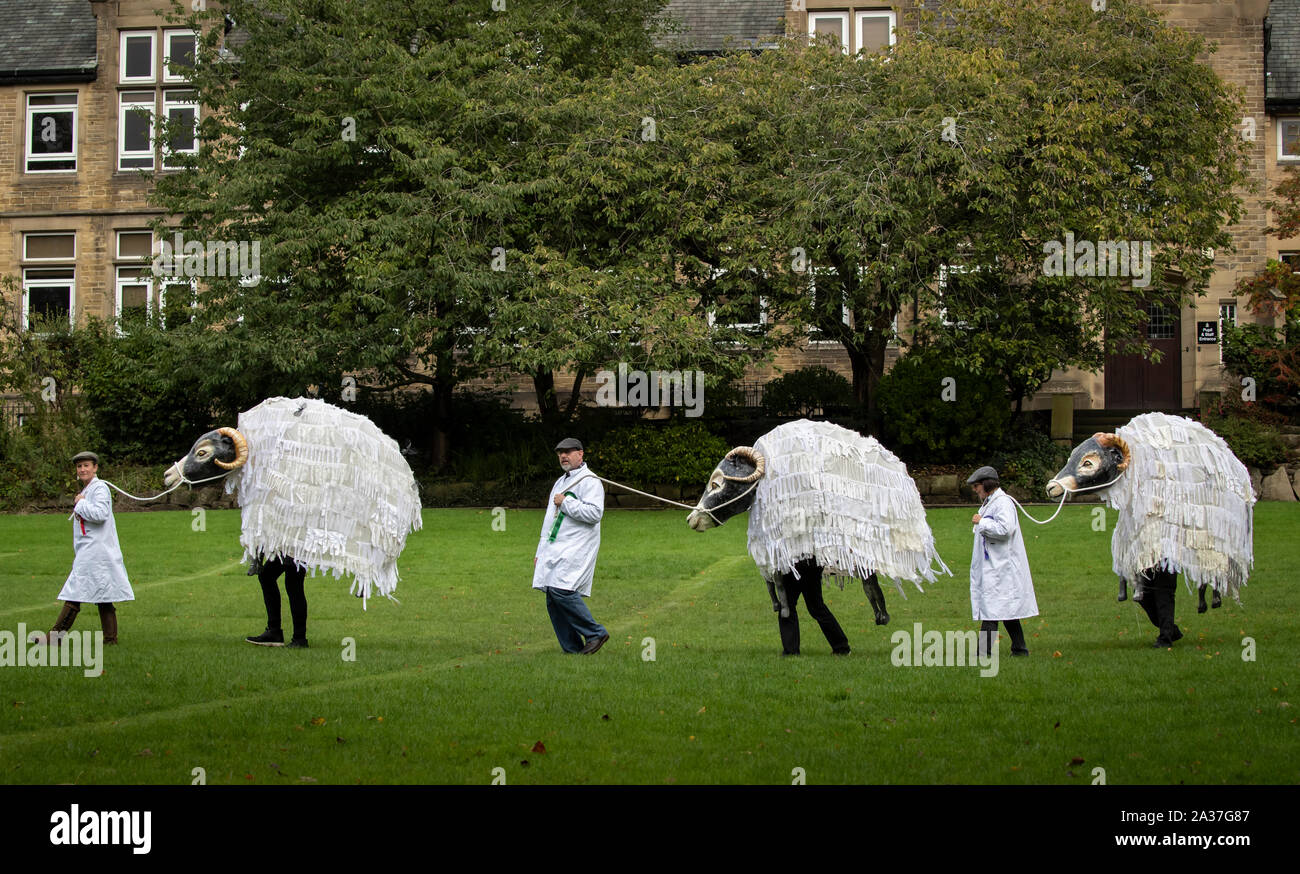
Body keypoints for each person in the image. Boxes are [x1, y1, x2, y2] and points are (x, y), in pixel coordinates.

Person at [37, 451, 134, 645]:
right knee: (103, 594)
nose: (82, 469)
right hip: (92, 550)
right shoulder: (90, 489)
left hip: (96, 551)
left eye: (86, 465)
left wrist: (80, 503)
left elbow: (100, 514)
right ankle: (110, 639)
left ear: (95, 467)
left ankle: (55, 637)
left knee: (75, 591)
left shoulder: (99, 489)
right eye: (79, 466)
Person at [533, 437, 609, 654]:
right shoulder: (560, 482)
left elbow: (595, 513)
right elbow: (549, 520)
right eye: (560, 453)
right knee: (552, 597)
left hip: (577, 546)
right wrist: (540, 550)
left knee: (561, 590)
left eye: (568, 452)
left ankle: (595, 632)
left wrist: (566, 502)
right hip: (556, 546)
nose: (563, 456)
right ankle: (573, 649)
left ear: (580, 454)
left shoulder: (590, 481)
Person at [967, 466, 1036, 657]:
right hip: (995, 565)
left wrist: (981, 522)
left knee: (993, 609)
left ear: (986, 484)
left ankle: (983, 652)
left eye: (977, 486)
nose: (975, 490)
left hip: (1002, 566)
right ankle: (1019, 648)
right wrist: (981, 523)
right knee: (1004, 610)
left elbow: (1005, 529)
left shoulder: (1003, 503)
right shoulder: (990, 503)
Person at [771, 559, 853, 656]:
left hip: (795, 563)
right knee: (816, 607)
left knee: (788, 606)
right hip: (810, 562)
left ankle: (791, 650)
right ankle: (841, 647)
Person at [245, 555, 309, 648]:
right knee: (266, 576)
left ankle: (299, 638)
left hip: (297, 544)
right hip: (286, 544)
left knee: (293, 583)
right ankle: (274, 632)